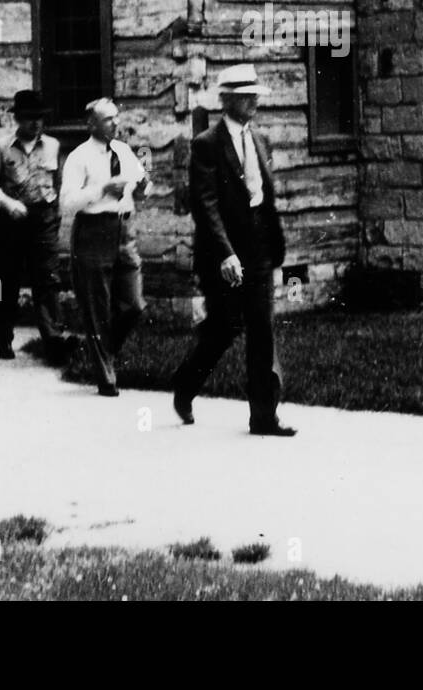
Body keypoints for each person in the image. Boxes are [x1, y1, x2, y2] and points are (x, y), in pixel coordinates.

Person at [171, 64, 294, 437]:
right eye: (245, 95)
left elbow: (262, 195)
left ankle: (264, 417)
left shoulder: (260, 140)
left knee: (262, 328)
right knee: (225, 328)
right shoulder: (207, 144)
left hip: (258, 247)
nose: (253, 100)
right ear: (226, 100)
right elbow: (205, 204)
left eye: (255, 94)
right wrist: (225, 253)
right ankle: (185, 385)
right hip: (221, 249)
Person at [60, 98, 148, 397]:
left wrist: (144, 185)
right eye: (108, 119)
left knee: (134, 305)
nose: (116, 123)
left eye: (116, 118)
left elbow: (138, 185)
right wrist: (101, 189)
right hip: (93, 232)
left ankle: (104, 351)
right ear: (92, 124)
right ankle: (105, 375)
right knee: (97, 306)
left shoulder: (123, 151)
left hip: (124, 231)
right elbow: (67, 203)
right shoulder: (78, 157)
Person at [0, 89, 67, 361]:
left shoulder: (52, 146)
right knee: (4, 282)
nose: (35, 123)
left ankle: (54, 342)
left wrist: (55, 212)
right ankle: (2, 339)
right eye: (29, 118)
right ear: (17, 118)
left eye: (39, 118)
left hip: (43, 221)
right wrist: (8, 203)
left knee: (48, 280)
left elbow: (58, 183)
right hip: (11, 221)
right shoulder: (2, 148)